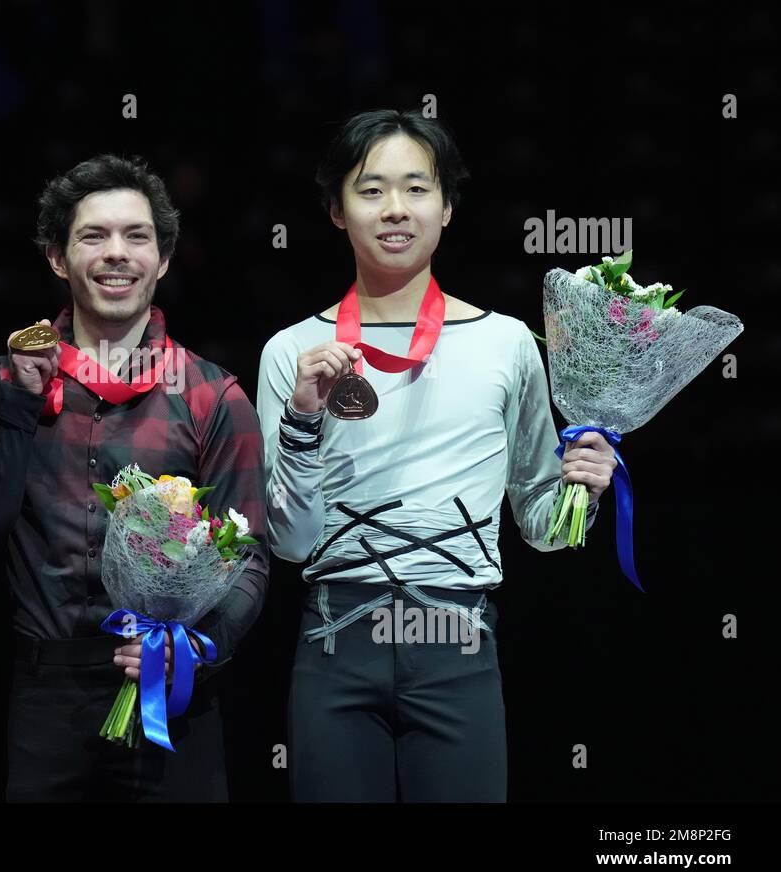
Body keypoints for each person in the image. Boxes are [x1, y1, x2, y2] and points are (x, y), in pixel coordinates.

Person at [256, 109, 618, 802]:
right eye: (371, 190)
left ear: (448, 206)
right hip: (336, 642)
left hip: (459, 644)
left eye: (417, 188)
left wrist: (584, 492)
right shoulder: (291, 352)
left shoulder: (508, 343)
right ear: (336, 210)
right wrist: (304, 415)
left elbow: (542, 528)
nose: (396, 208)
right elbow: (294, 544)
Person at [0, 154, 269, 801]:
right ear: (58, 258)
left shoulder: (212, 395)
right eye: (94, 235)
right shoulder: (9, 382)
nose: (116, 253)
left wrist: (197, 648)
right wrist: (16, 406)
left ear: (164, 257)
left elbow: (249, 554)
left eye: (136, 236)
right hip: (44, 700)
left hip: (174, 693)